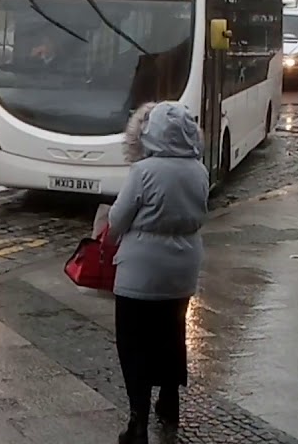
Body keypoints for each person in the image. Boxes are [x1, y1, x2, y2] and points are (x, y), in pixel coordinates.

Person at [107, 101, 208, 443]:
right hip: (183, 270)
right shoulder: (200, 170)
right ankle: (169, 399)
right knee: (172, 334)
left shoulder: (143, 171)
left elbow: (117, 220)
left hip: (141, 272)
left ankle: (138, 419)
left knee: (133, 343)